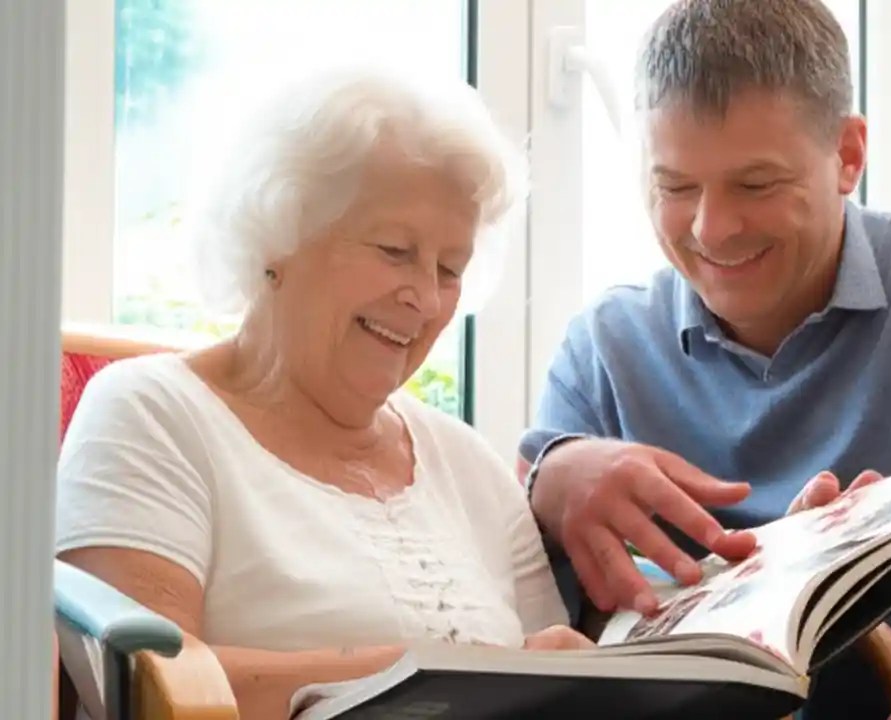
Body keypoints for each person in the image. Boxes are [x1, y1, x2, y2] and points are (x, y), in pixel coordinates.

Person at [518, 1, 891, 717]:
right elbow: (554, 639)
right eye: (675, 187)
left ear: (848, 155)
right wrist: (547, 482)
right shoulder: (605, 351)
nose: (711, 228)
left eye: (755, 185)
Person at [54, 68, 592, 719]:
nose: (424, 298)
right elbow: (145, 687)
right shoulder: (152, 413)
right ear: (277, 234)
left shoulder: (469, 465)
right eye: (395, 250)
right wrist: (452, 676)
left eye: (450, 269)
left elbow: (553, 679)